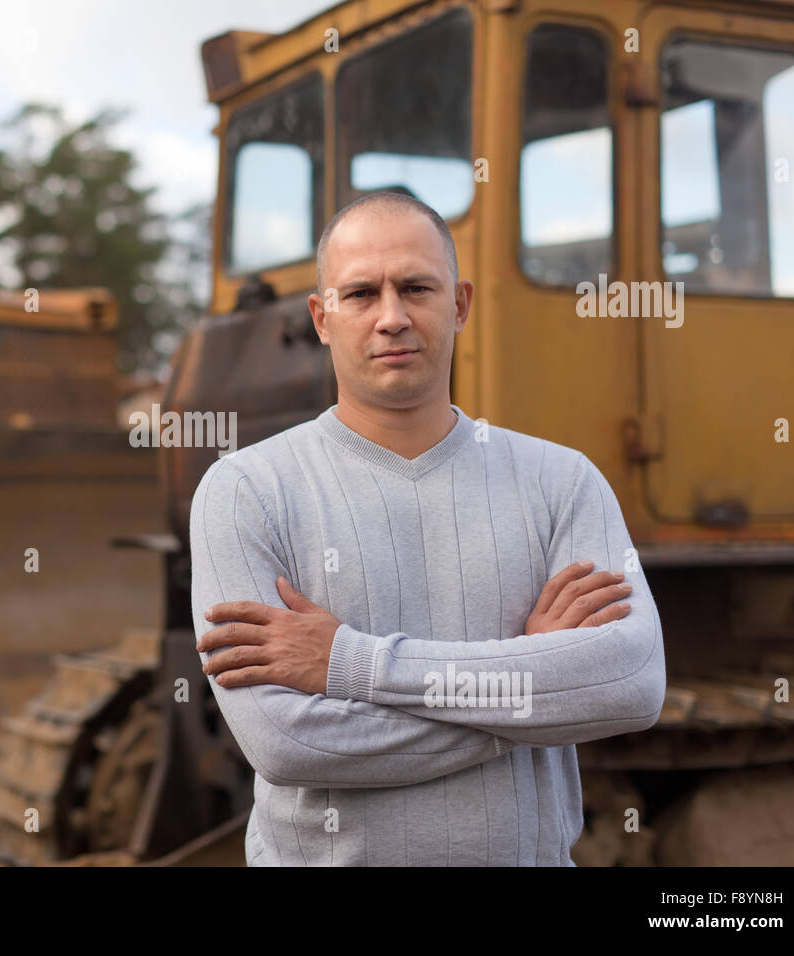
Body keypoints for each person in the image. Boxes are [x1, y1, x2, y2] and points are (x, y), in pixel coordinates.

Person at [189, 191, 666, 866]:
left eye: (416, 287)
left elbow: (632, 684)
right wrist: (534, 697)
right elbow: (287, 743)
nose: (391, 317)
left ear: (460, 304)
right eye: (361, 294)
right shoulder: (244, 492)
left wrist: (347, 663)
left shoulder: (562, 481)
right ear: (321, 319)